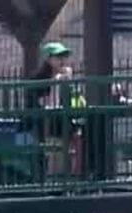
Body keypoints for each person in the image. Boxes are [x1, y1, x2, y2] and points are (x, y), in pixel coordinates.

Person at [27, 42, 86, 177]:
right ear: (48, 59)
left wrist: (68, 82)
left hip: (62, 117)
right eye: (58, 56)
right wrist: (56, 82)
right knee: (54, 146)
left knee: (79, 136)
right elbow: (45, 103)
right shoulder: (38, 79)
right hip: (45, 119)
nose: (62, 60)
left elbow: (73, 98)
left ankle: (76, 175)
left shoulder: (65, 76)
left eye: (64, 56)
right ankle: (52, 179)